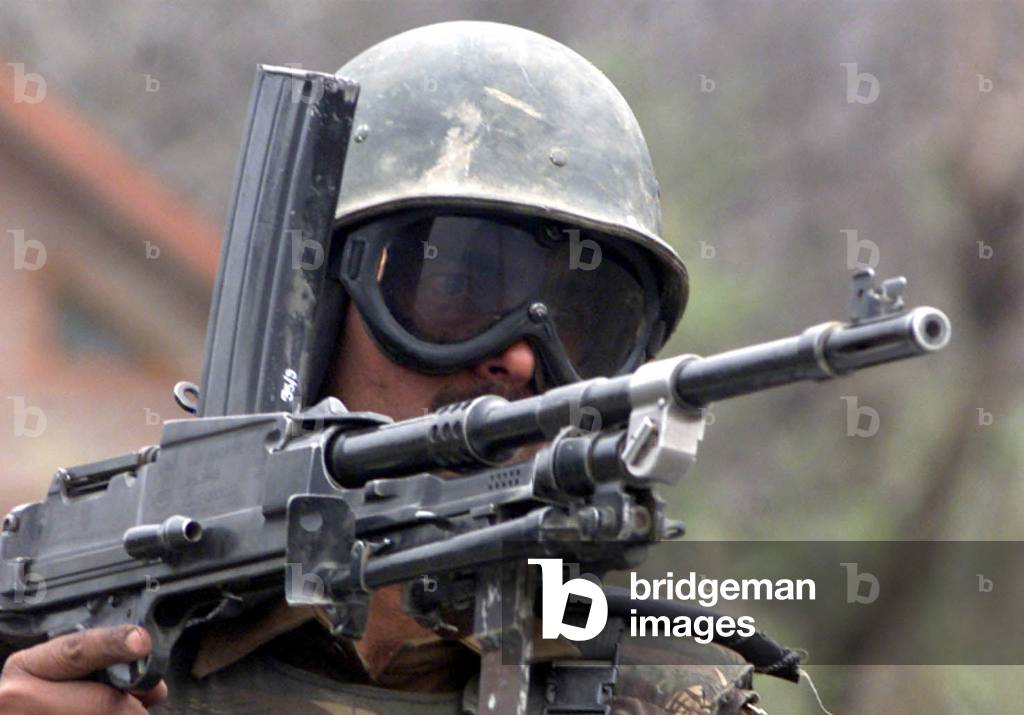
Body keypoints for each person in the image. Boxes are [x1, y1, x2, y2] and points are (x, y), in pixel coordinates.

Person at [0, 21, 765, 714]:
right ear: (320, 308)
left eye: (581, 323)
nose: (520, 357)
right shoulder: (75, 665)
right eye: (457, 288)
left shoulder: (667, 693)